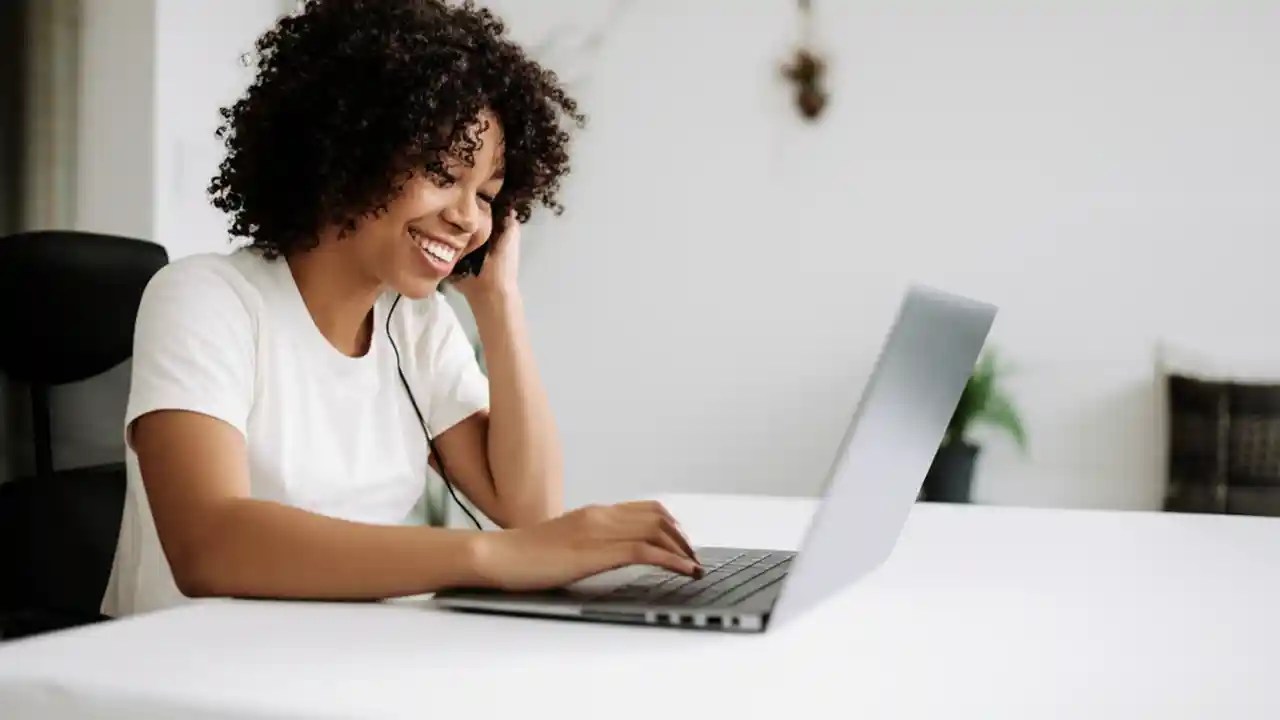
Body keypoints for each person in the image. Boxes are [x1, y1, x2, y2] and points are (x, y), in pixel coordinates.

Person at [102, 0, 701, 617]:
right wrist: (483, 557)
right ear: (350, 151)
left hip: (350, 662)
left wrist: (499, 301)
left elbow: (529, 511)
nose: (469, 218)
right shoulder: (206, 299)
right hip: (190, 675)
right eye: (444, 173)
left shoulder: (415, 325)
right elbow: (210, 545)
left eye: (488, 195)